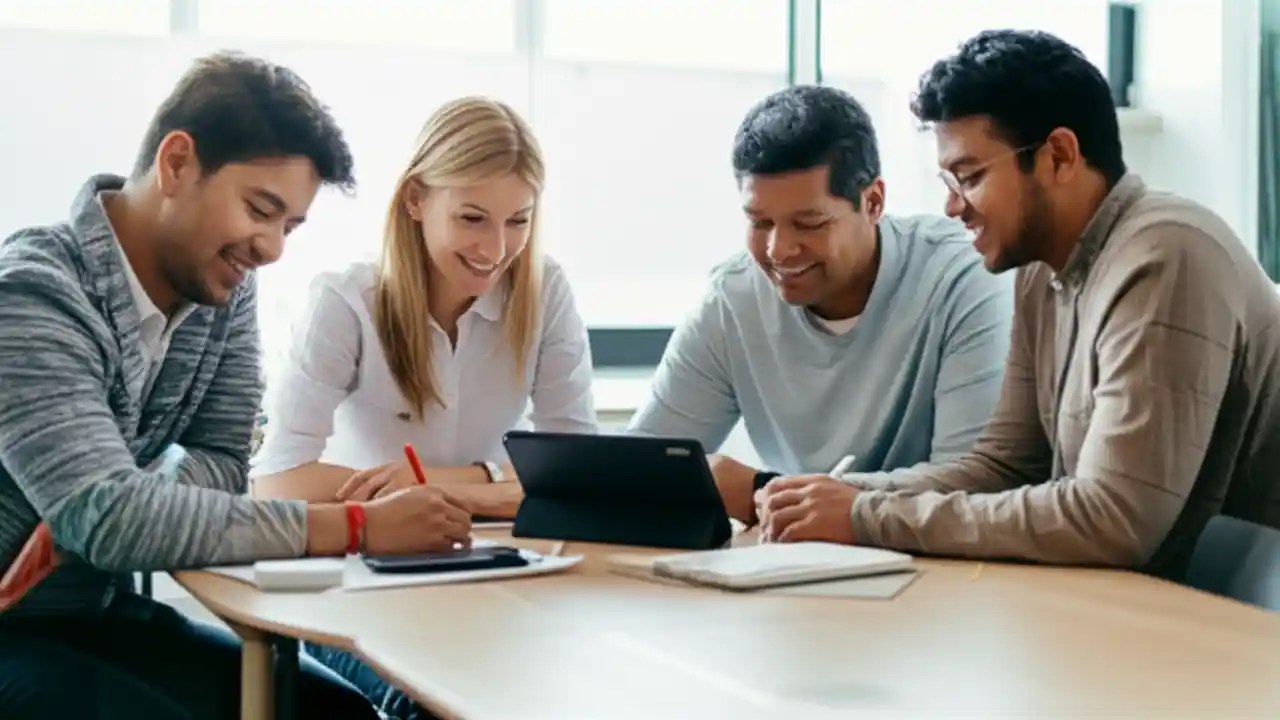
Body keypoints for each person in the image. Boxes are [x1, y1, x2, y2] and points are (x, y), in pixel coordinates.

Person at [0, 52, 473, 719]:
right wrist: (357, 525)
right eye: (260, 209)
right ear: (176, 163)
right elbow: (109, 521)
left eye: (290, 226)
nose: (272, 248)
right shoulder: (31, 296)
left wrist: (128, 499)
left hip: (90, 613)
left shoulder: (221, 289)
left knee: (336, 714)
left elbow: (222, 466)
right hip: (13, 630)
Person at [757, 30, 1280, 580]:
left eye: (970, 177)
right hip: (1151, 601)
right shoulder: (1042, 270)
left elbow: (1114, 518)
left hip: (1236, 619)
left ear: (1060, 156)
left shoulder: (1165, 255)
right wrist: (838, 495)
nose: (952, 206)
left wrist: (864, 516)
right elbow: (1006, 466)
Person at [251, 96, 596, 719]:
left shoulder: (545, 293)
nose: (497, 247)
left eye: (518, 221)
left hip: (494, 571)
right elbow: (277, 480)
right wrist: (481, 490)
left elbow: (580, 474)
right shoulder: (347, 301)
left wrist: (440, 486)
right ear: (416, 200)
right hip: (359, 581)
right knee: (432, 700)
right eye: (472, 218)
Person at [628, 85, 1013, 525]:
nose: (778, 250)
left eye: (808, 223)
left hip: (937, 557)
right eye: (760, 222)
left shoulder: (966, 277)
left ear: (873, 202)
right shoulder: (733, 299)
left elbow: (973, 485)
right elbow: (640, 470)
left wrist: (766, 492)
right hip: (797, 552)